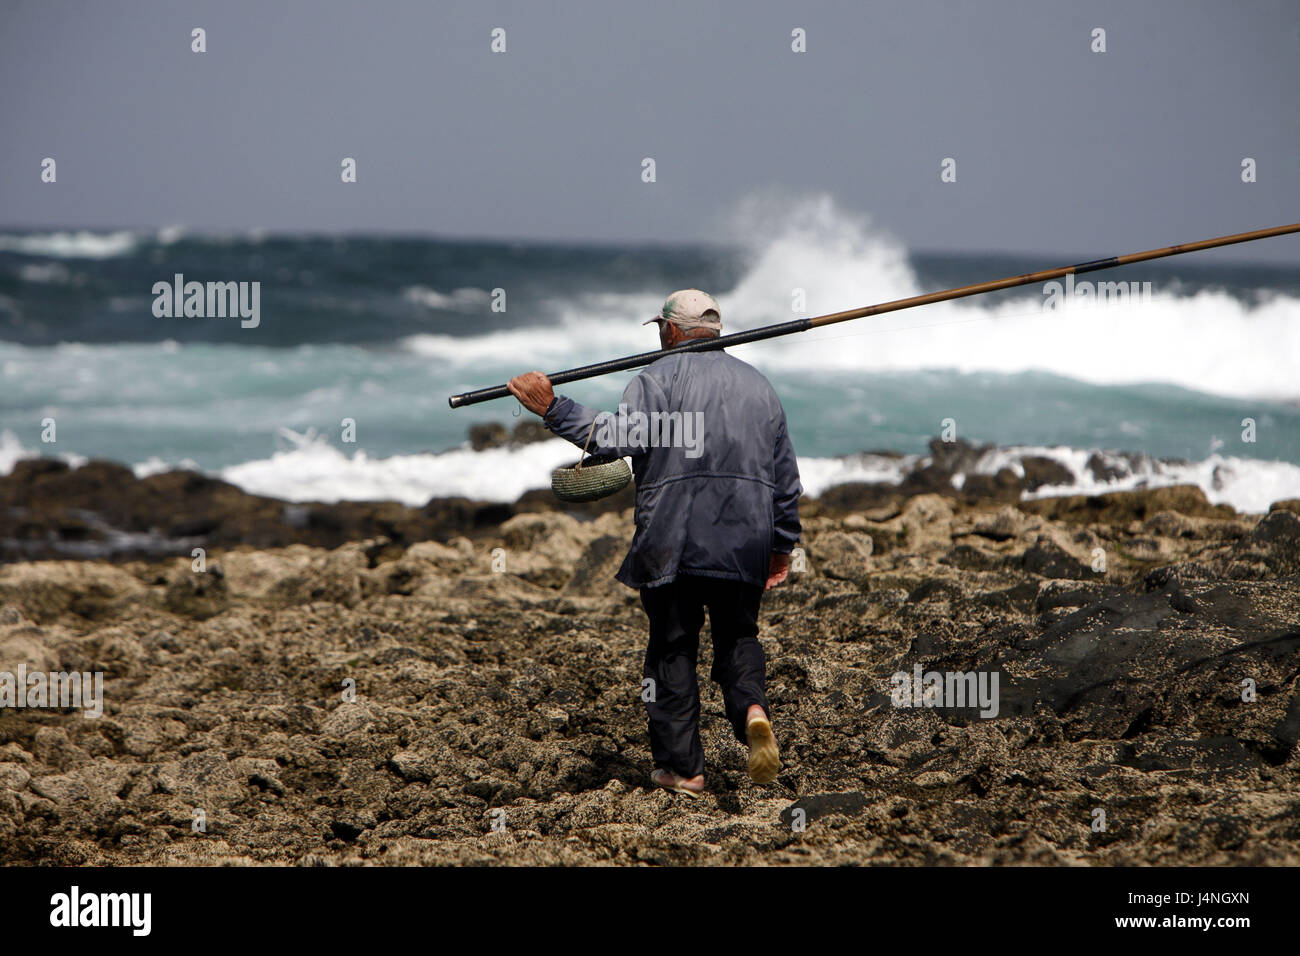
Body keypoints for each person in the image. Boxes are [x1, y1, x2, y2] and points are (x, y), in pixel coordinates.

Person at [507, 289, 802, 797]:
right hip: (745, 540)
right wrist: (781, 544)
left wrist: (553, 407)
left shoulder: (655, 380)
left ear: (669, 331)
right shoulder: (761, 388)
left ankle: (684, 770)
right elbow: (785, 479)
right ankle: (753, 709)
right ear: (715, 332)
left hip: (675, 541)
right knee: (737, 638)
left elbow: (614, 438)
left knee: (672, 648)